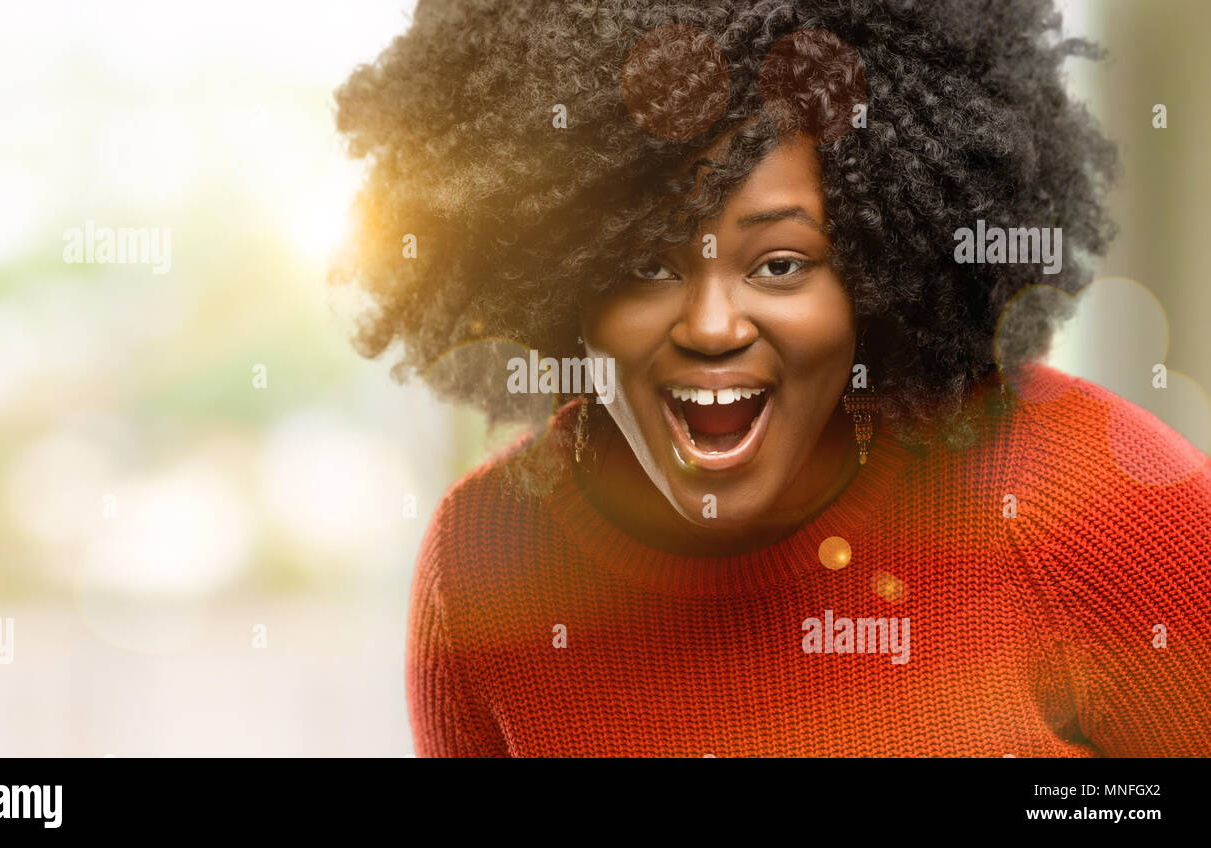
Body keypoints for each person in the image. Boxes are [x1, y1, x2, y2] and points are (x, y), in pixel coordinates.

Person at [332, 0, 1211, 756]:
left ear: (877, 273)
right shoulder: (488, 567)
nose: (711, 327)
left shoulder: (1098, 504)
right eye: (644, 265)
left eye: (783, 264)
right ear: (560, 282)